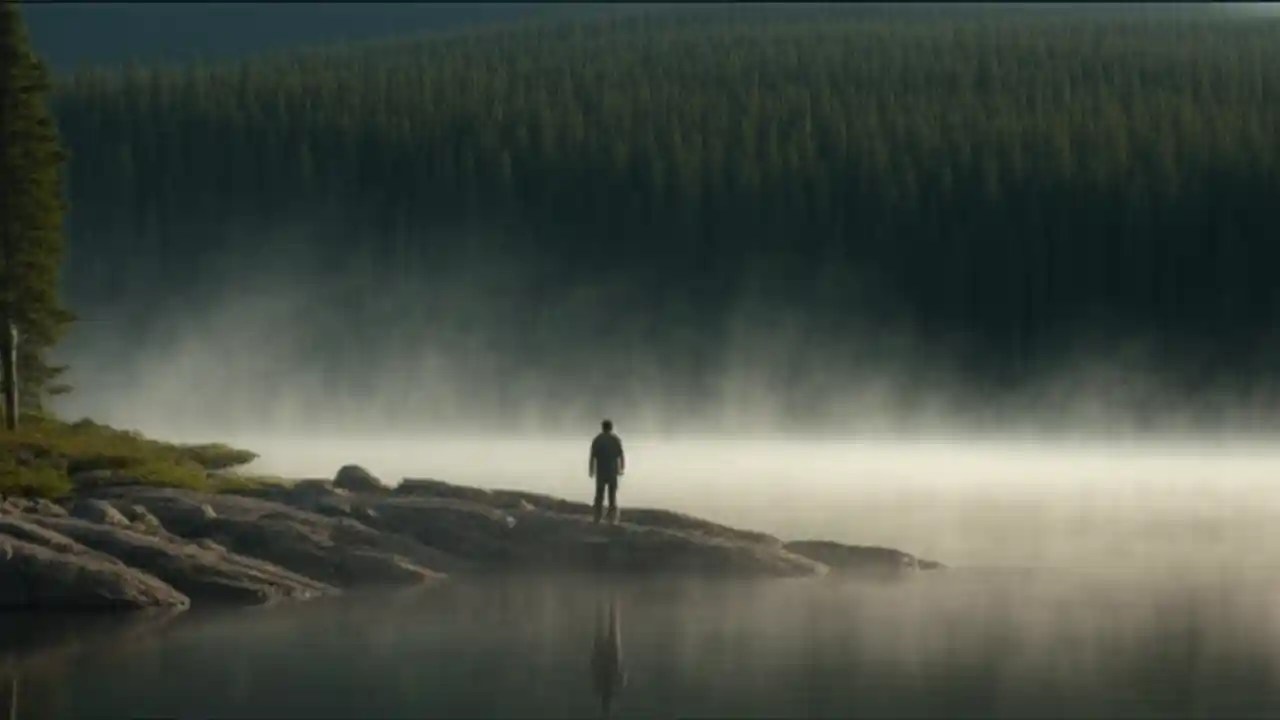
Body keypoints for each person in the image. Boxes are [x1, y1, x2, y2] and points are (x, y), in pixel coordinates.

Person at [589, 419, 625, 524]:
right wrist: (622, 468)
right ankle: (612, 519)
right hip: (612, 471)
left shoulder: (597, 439)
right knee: (612, 496)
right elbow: (621, 455)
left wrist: (591, 469)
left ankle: (597, 517)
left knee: (599, 495)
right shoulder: (615, 439)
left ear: (602, 427)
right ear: (611, 428)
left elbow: (592, 456)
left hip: (601, 471)